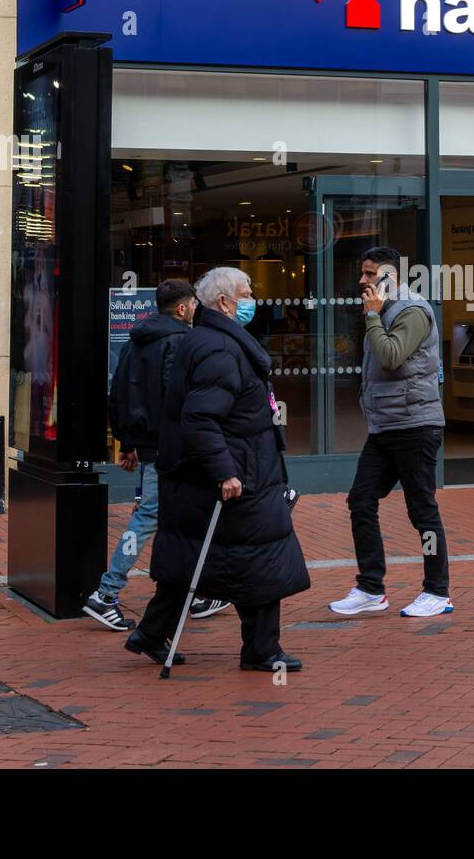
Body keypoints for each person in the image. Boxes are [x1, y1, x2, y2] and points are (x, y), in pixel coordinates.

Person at [126, 266, 310, 671]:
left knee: (197, 555)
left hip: (224, 469)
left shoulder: (210, 339)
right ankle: (262, 649)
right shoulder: (220, 348)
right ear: (225, 302)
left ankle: (152, 632)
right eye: (246, 291)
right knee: (260, 558)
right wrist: (224, 471)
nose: (251, 298)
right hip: (240, 472)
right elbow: (201, 417)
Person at [84, 279, 230, 630]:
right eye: (193, 304)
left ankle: (193, 593)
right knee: (150, 516)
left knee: (180, 518)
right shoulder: (180, 342)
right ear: (182, 308)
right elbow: (175, 399)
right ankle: (105, 594)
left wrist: (128, 442)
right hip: (172, 449)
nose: (196, 309)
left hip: (150, 445)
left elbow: (118, 392)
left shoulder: (137, 341)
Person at [329, 246, 452, 618]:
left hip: (416, 425)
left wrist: (371, 318)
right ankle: (371, 587)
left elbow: (391, 356)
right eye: (361, 274)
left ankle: (437, 591)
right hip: (385, 427)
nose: (362, 281)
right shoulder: (383, 310)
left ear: (391, 276)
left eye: (370, 274)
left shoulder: (412, 310)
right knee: (360, 501)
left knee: (422, 510)